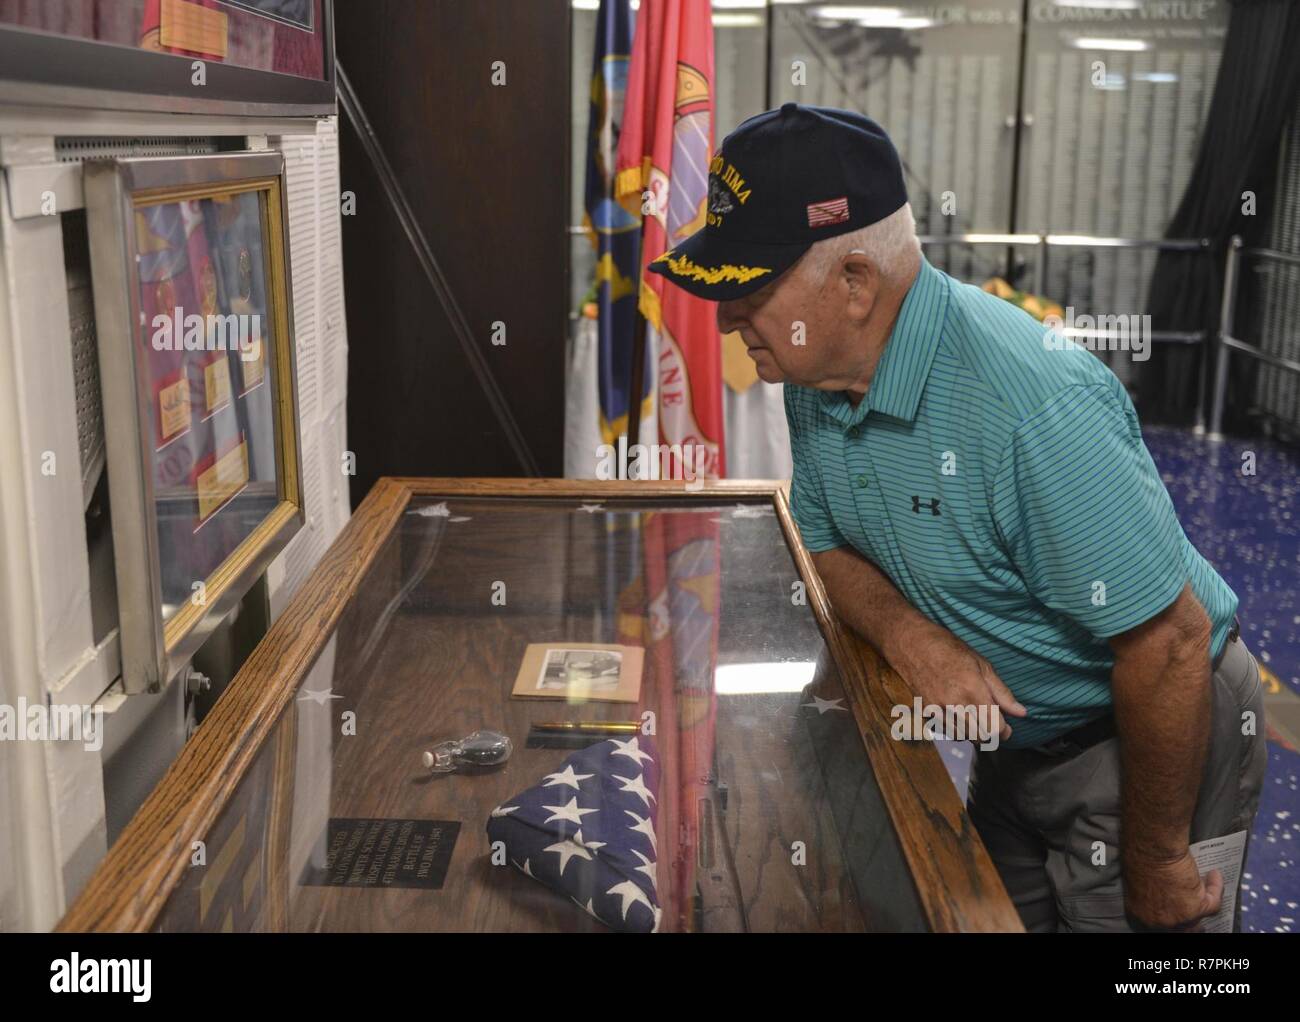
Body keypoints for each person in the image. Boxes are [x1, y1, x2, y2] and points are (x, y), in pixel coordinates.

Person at [647, 102, 1267, 933]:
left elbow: (1169, 646)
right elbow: (823, 543)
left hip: (1151, 738)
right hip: (1015, 742)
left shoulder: (1032, 407)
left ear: (857, 284)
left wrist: (1156, 858)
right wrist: (911, 635)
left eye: (750, 290)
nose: (725, 318)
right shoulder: (817, 380)